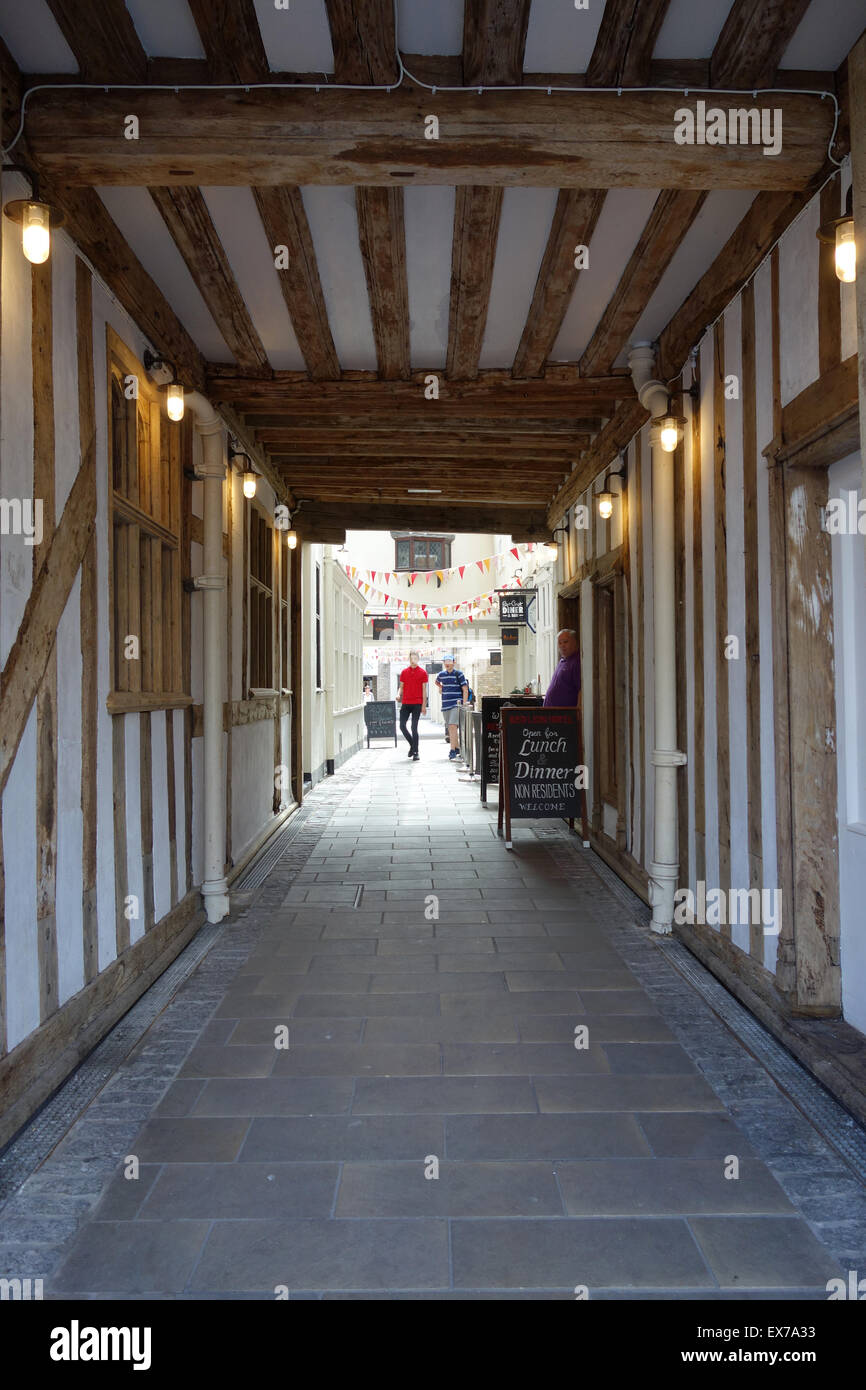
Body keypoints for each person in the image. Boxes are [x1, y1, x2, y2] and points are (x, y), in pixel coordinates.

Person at [436, 655, 469, 760]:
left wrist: (464, 704)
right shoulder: (441, 675)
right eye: (446, 661)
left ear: (454, 662)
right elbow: (436, 681)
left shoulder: (458, 674)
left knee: (452, 726)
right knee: (450, 728)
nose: (447, 663)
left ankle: (452, 750)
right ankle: (457, 747)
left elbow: (465, 689)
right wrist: (441, 688)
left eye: (450, 661)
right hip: (445, 705)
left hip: (456, 704)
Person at [397, 650, 428, 760]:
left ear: (418, 659)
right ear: (409, 659)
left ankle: (416, 752)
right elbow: (401, 687)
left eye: (415, 658)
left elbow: (424, 690)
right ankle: (412, 745)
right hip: (405, 703)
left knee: (414, 727)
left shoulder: (423, 673)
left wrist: (424, 706)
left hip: (417, 703)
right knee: (401, 726)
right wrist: (398, 695)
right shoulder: (404, 672)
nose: (413, 660)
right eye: (411, 658)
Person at [545, 629, 582, 711]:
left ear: (575, 642)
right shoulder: (563, 660)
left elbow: (581, 690)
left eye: (565, 642)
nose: (562, 645)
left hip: (565, 717)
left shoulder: (577, 662)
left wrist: (578, 713)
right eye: (560, 643)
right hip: (552, 715)